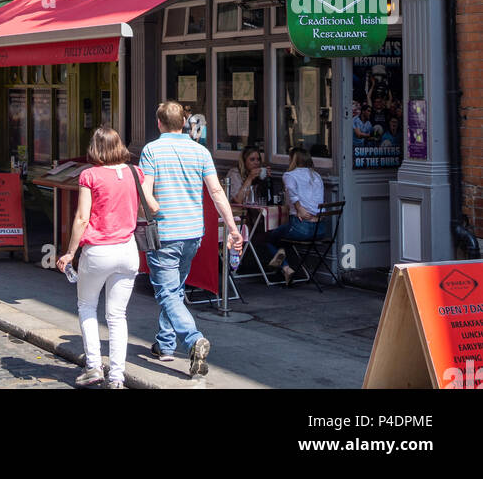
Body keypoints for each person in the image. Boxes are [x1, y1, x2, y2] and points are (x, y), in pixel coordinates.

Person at [139, 101, 244, 376]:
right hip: (193, 233)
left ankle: (194, 339)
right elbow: (217, 192)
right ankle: (165, 344)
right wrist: (233, 229)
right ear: (184, 123)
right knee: (174, 291)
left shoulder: (151, 150)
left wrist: (150, 204)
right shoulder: (200, 152)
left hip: (165, 232)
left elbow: (145, 191)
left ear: (159, 123)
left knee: (166, 293)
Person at [56, 127, 159, 389]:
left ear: (95, 148)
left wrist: (70, 252)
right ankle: (116, 377)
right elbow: (154, 207)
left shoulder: (89, 175)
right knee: (117, 316)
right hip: (127, 250)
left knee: (87, 306)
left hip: (98, 251)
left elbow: (82, 217)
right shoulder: (136, 172)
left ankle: (93, 366)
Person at [262, 146, 329, 284]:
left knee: (270, 238)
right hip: (320, 229)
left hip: (301, 228)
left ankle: (285, 268)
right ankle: (280, 264)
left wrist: (299, 209)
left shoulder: (289, 175)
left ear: (293, 160)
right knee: (283, 240)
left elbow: (292, 194)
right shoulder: (316, 175)